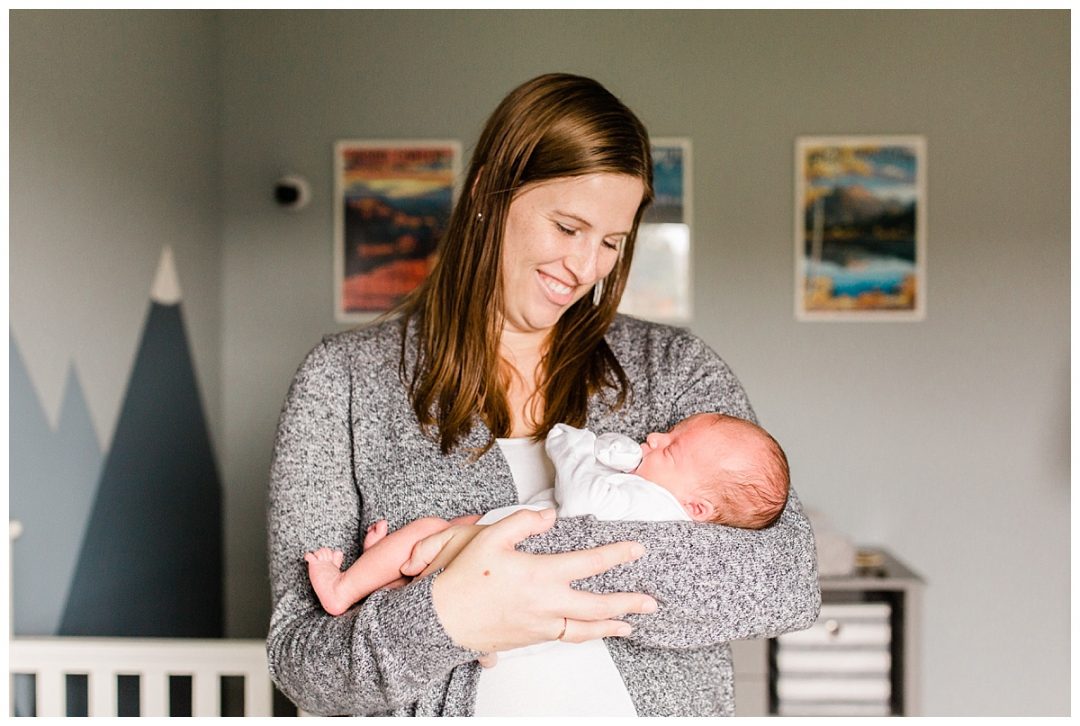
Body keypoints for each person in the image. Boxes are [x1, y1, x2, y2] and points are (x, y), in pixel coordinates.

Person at [267, 72, 819, 717]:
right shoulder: (344, 381)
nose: (585, 269)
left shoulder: (675, 369)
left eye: (612, 243)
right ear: (487, 195)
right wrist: (447, 616)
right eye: (567, 227)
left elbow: (783, 583)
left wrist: (495, 570)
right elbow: (303, 665)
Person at [303, 413, 790, 619]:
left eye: (673, 446)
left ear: (697, 508)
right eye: (667, 431)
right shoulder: (660, 499)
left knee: (431, 531)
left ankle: (343, 588)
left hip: (501, 555)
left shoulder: (653, 507)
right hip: (503, 550)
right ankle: (386, 575)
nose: (656, 438)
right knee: (435, 543)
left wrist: (575, 447)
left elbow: (580, 498)